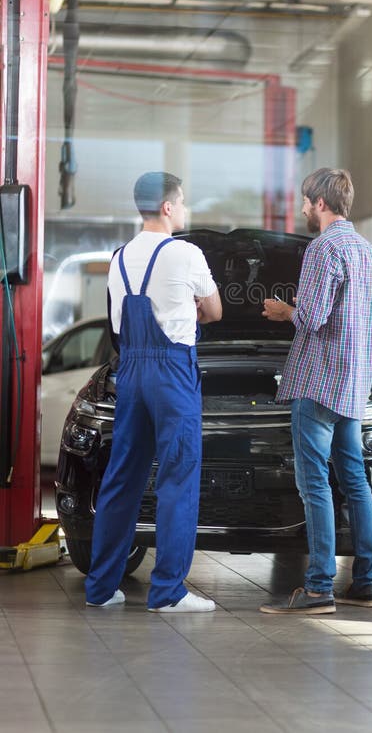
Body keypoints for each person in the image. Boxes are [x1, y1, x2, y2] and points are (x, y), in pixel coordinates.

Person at [85, 172, 222, 612]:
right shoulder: (186, 253)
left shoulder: (119, 258)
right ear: (166, 207)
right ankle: (167, 592)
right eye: (180, 202)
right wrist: (192, 308)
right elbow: (215, 310)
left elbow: (117, 324)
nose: (183, 209)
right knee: (177, 479)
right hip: (172, 375)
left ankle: (101, 589)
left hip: (132, 372)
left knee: (122, 477)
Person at [260, 168, 372, 614]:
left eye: (304, 200)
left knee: (314, 483)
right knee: (355, 480)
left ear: (320, 202)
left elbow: (312, 318)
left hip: (318, 383)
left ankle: (318, 588)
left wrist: (283, 311)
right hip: (353, 386)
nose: (301, 208)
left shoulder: (323, 248)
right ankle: (366, 583)